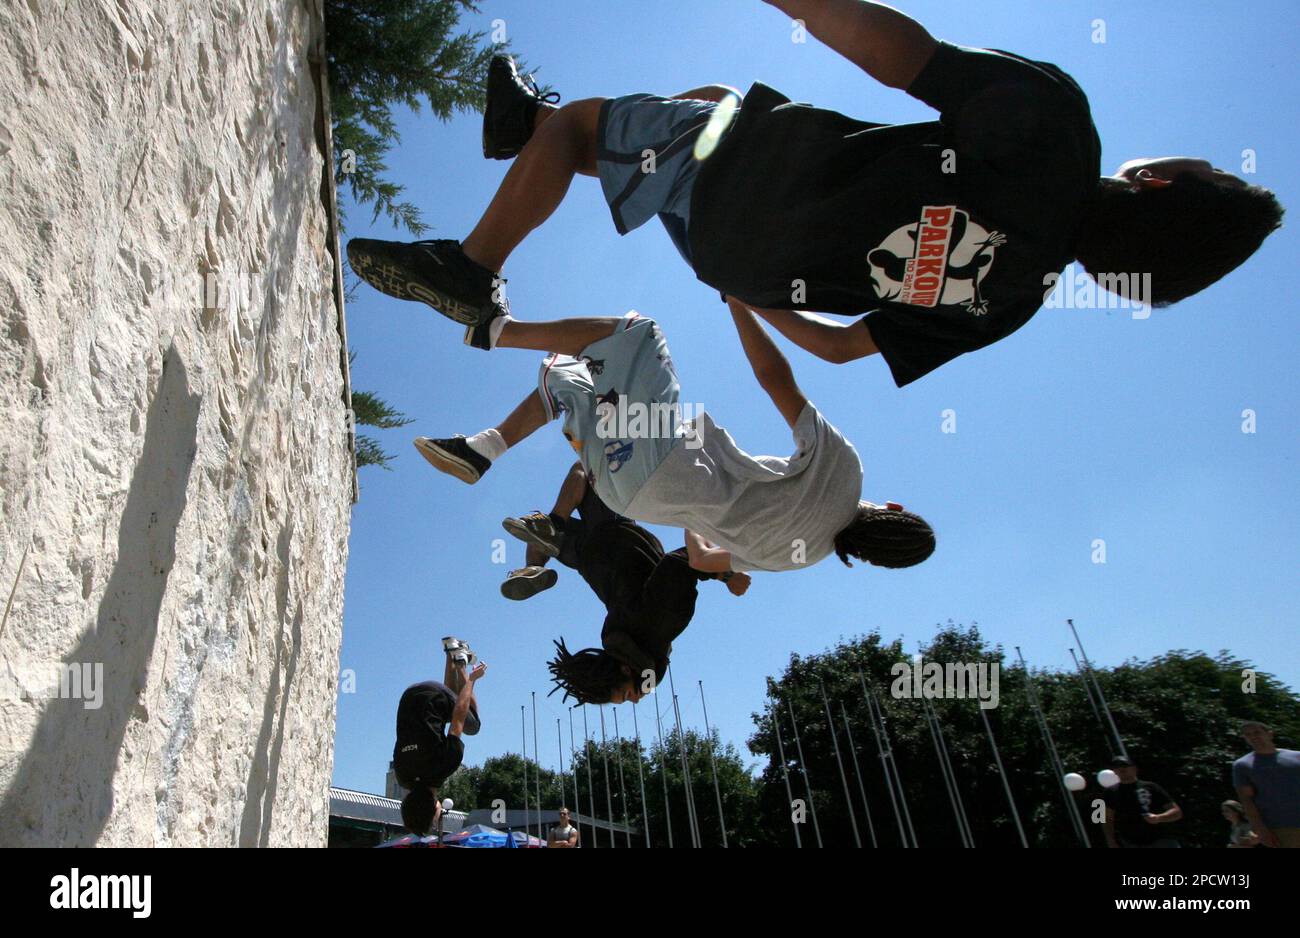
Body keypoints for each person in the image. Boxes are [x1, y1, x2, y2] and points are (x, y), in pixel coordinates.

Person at [347, 0, 1282, 386]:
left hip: (761, 169)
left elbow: (905, 59)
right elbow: (837, 349)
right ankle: (525, 128)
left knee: (584, 127)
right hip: (739, 255)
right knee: (708, 103)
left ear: (1159, 182)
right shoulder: (1011, 306)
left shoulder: (1061, 134)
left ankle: (473, 264)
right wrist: (747, 294)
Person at [410, 298, 935, 579]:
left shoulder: (845, 473)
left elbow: (777, 380)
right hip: (629, 498)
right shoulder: (798, 558)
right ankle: (484, 449)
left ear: (894, 507)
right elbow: (703, 559)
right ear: (872, 558)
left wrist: (740, 303)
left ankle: (492, 326)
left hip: (662, 456)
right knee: (569, 376)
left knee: (638, 333)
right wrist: (697, 511)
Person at [502, 461, 750, 704]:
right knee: (538, 529)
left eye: (626, 695)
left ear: (625, 670)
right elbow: (648, 667)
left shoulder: (661, 625)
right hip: (587, 559)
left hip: (615, 536)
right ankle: (534, 565)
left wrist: (725, 574)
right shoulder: (613, 641)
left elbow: (680, 563)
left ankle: (551, 528)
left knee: (584, 468)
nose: (635, 701)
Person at [392, 638, 487, 836]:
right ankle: (450, 651)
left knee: (473, 726)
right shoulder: (401, 775)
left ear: (435, 808)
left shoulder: (443, 767)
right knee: (446, 704)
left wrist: (472, 680)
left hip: (434, 695)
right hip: (408, 698)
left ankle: (461, 662)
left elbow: (459, 716)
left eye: (436, 819)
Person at [1232, 721, 1300, 848]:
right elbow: (1247, 800)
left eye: (1257, 732)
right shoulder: (1243, 765)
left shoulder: (1297, 757)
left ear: (1270, 734)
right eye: (1248, 735)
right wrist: (1259, 829)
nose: (1253, 737)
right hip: (1281, 826)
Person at [1101, 756, 1183, 848]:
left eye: (1125, 765)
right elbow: (1108, 818)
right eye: (1117, 767)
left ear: (1134, 769)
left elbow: (1176, 812)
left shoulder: (1151, 787)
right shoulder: (1111, 792)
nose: (1121, 769)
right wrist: (1111, 841)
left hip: (1161, 838)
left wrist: (1158, 818)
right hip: (1131, 842)